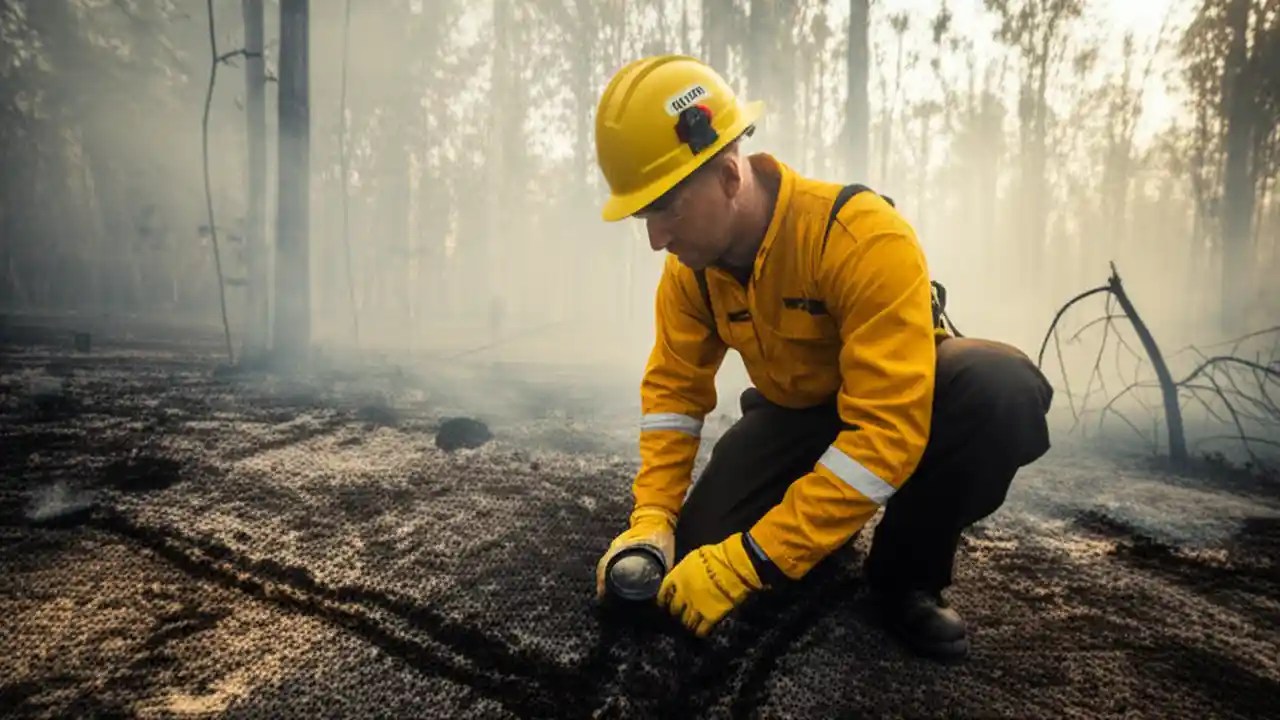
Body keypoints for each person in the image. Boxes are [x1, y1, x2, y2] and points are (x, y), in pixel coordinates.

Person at [591, 55, 1053, 662]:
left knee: (1000, 388)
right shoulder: (690, 275)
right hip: (794, 413)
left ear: (730, 175)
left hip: (903, 406)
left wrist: (753, 560)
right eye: (644, 215)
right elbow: (674, 397)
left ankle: (903, 577)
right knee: (697, 555)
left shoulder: (860, 237)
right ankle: (818, 527)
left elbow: (885, 434)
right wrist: (652, 517)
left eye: (666, 208)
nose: (656, 238)